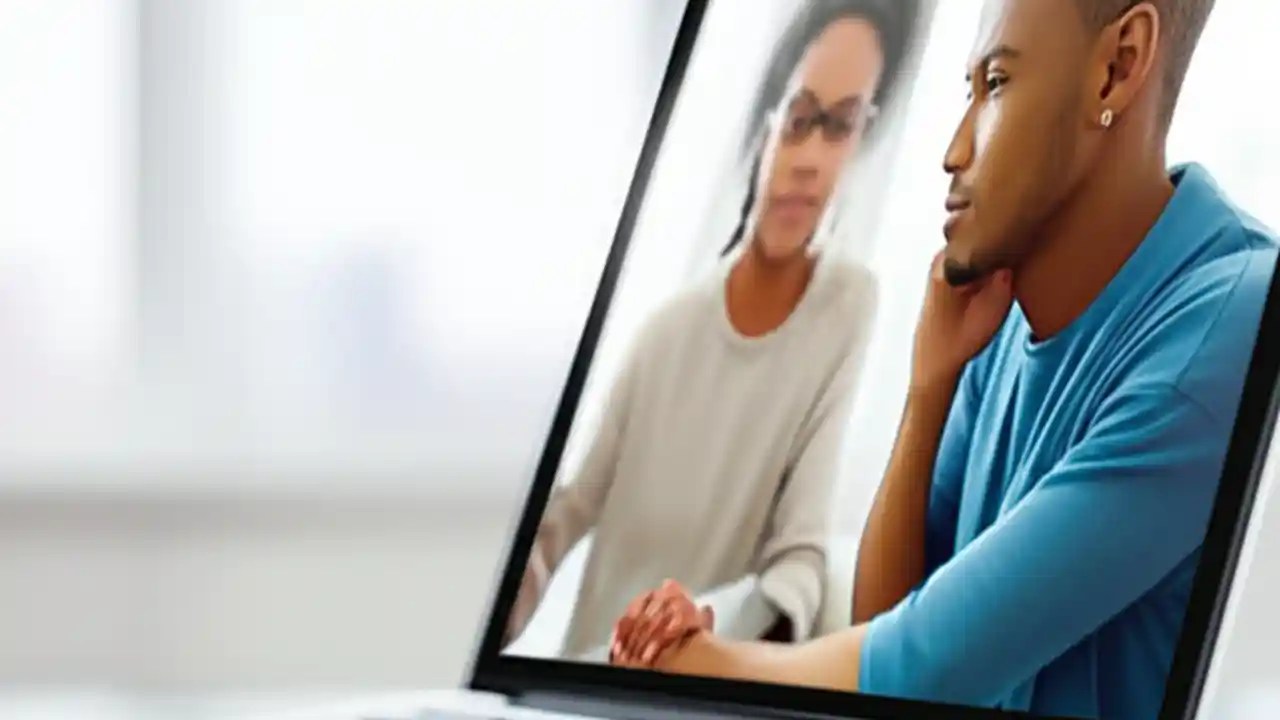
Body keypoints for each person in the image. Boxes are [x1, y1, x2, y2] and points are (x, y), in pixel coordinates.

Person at [610, 0, 1279, 718]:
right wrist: (929, 391)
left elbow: (918, 670)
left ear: (1117, 70)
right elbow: (885, 630)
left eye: (997, 83)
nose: (955, 151)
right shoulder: (1005, 311)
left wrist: (701, 662)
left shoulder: (1234, 321)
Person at [503, 0, 919, 660]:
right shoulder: (665, 331)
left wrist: (703, 625)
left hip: (701, 680)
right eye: (800, 117)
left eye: (839, 127)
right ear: (764, 123)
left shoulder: (847, 307)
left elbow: (798, 564)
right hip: (588, 679)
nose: (810, 157)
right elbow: (559, 523)